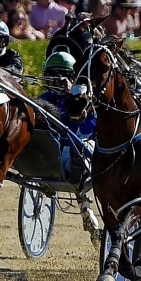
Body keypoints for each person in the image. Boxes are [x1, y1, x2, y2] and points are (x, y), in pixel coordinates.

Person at [38, 51, 95, 185]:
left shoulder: (85, 99)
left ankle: (77, 172)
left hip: (82, 147)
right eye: (50, 76)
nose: (54, 81)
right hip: (54, 154)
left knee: (80, 149)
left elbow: (87, 124)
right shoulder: (47, 98)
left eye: (58, 76)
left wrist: (72, 94)